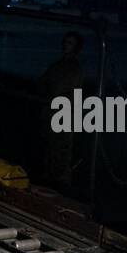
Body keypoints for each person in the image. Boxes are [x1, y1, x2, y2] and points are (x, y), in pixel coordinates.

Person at [39, 31, 84, 188]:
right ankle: (51, 180)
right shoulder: (57, 66)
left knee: (61, 152)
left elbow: (65, 90)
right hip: (54, 112)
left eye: (70, 43)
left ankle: (61, 183)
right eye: (66, 42)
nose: (66, 45)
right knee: (50, 150)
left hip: (63, 114)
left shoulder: (74, 68)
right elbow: (44, 83)